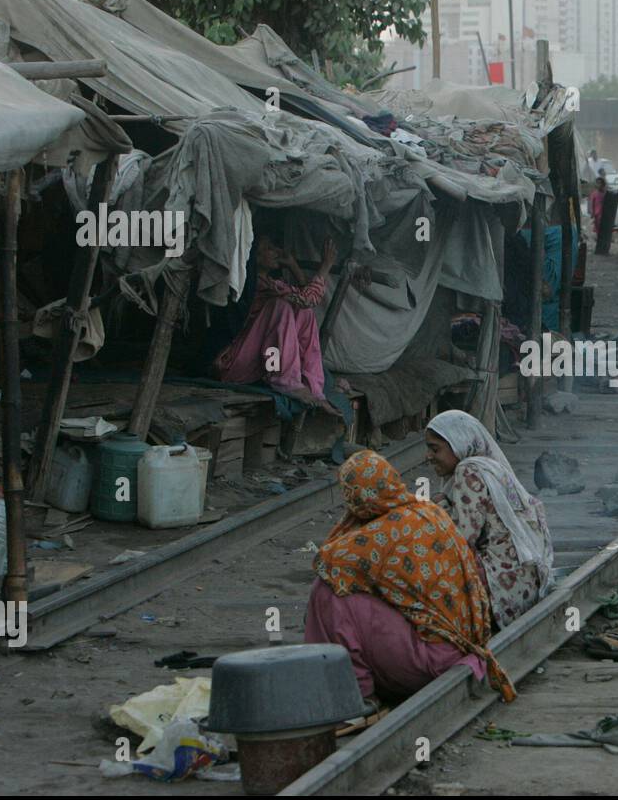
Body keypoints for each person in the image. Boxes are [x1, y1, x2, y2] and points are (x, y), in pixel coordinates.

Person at [305, 449, 515, 703]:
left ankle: (352, 694)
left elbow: (326, 562)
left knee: (328, 591)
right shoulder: (428, 510)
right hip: (460, 649)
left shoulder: (382, 532)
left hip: (428, 660)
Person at [424, 409, 554, 628]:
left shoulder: (468, 471)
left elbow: (460, 540)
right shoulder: (491, 466)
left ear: (459, 444)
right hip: (525, 583)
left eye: (435, 449)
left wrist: (438, 507)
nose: (427, 456)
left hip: (502, 590)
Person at [214, 229, 340, 414]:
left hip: (265, 364)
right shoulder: (254, 284)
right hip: (236, 365)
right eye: (268, 248)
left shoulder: (276, 284)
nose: (276, 252)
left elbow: (304, 301)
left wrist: (292, 265)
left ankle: (313, 386)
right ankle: (284, 380)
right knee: (280, 306)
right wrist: (325, 266)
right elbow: (306, 298)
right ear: (254, 256)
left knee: (306, 314)